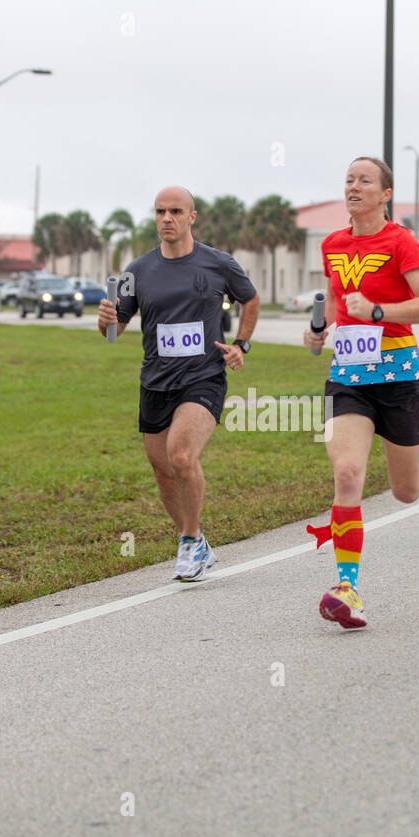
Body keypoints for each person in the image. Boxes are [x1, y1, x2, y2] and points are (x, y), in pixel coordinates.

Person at [303, 157, 419, 629]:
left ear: (384, 193)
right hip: (347, 378)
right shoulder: (332, 244)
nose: (353, 187)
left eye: (364, 181)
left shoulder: (402, 242)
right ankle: (347, 587)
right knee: (347, 471)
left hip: (397, 378)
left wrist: (378, 312)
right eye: (349, 180)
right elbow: (333, 300)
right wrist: (319, 330)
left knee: (406, 492)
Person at [97, 186, 259, 581]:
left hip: (202, 377)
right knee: (163, 469)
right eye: (159, 212)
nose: (166, 218)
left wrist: (241, 345)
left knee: (182, 454)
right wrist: (105, 322)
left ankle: (188, 541)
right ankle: (197, 540)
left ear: (192, 217)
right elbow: (115, 332)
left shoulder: (218, 264)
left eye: (174, 211)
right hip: (155, 381)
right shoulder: (138, 271)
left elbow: (250, 301)